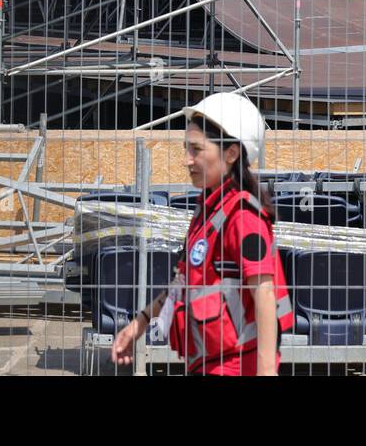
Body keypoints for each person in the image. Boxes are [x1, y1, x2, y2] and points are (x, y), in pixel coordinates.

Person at [110, 92, 293, 376]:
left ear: (231, 153)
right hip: (207, 364)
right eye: (186, 148)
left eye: (196, 149)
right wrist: (140, 322)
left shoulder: (243, 216)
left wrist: (267, 372)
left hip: (236, 367)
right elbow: (185, 282)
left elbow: (265, 294)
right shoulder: (208, 212)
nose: (187, 160)